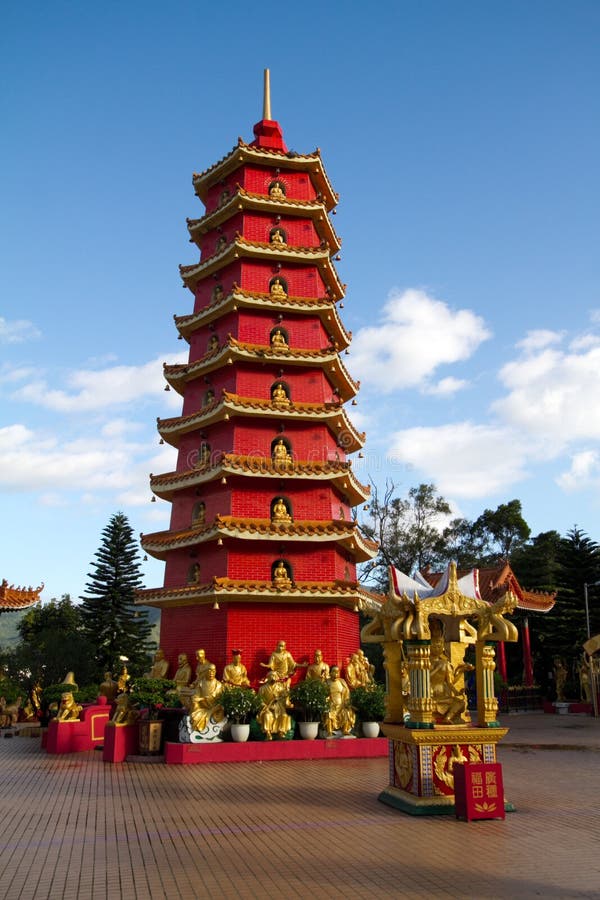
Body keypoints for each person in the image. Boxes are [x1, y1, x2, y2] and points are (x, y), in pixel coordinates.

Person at [257, 671, 292, 740]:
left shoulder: (280, 687)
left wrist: (286, 698)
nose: (273, 678)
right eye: (271, 676)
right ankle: (268, 733)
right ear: (268, 678)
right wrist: (266, 707)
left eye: (275, 676)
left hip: (278, 708)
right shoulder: (262, 689)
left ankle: (281, 731)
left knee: (283, 715)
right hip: (267, 708)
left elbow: (284, 697)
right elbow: (259, 700)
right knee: (267, 716)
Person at [188, 666, 224, 732]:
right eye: (209, 671)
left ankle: (206, 715)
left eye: (213, 671)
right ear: (205, 672)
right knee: (193, 702)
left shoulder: (218, 685)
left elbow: (214, 697)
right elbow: (197, 694)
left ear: (215, 672)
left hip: (214, 707)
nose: (211, 673)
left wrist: (201, 699)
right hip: (203, 706)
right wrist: (195, 698)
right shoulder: (201, 683)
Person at [324, 667, 355, 737]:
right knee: (329, 712)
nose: (336, 674)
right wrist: (328, 701)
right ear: (330, 673)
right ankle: (329, 731)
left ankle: (345, 730)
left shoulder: (342, 681)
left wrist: (346, 703)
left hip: (341, 704)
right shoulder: (327, 682)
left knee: (346, 712)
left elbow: (347, 694)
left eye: (337, 672)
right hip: (331, 704)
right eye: (334, 672)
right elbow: (324, 695)